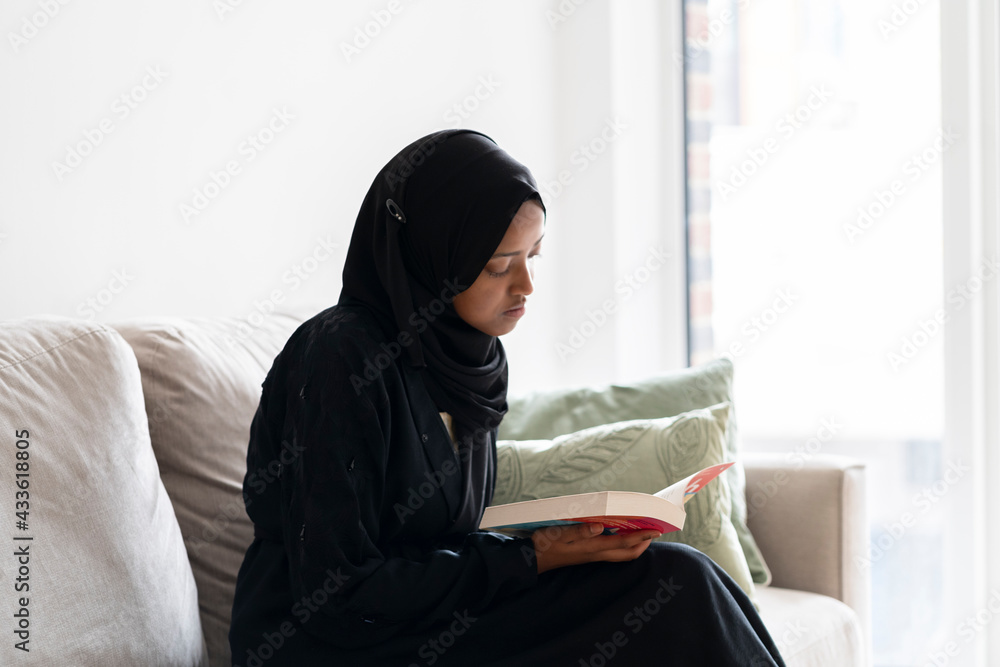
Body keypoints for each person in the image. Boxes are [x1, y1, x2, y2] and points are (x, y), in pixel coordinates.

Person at [229, 129, 786, 666]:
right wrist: (534, 556)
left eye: (533, 256)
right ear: (432, 259)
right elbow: (339, 594)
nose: (525, 286)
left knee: (672, 576)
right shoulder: (340, 359)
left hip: (435, 621)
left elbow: (440, 542)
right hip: (339, 646)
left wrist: (560, 544)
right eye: (498, 266)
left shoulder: (472, 359)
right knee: (672, 588)